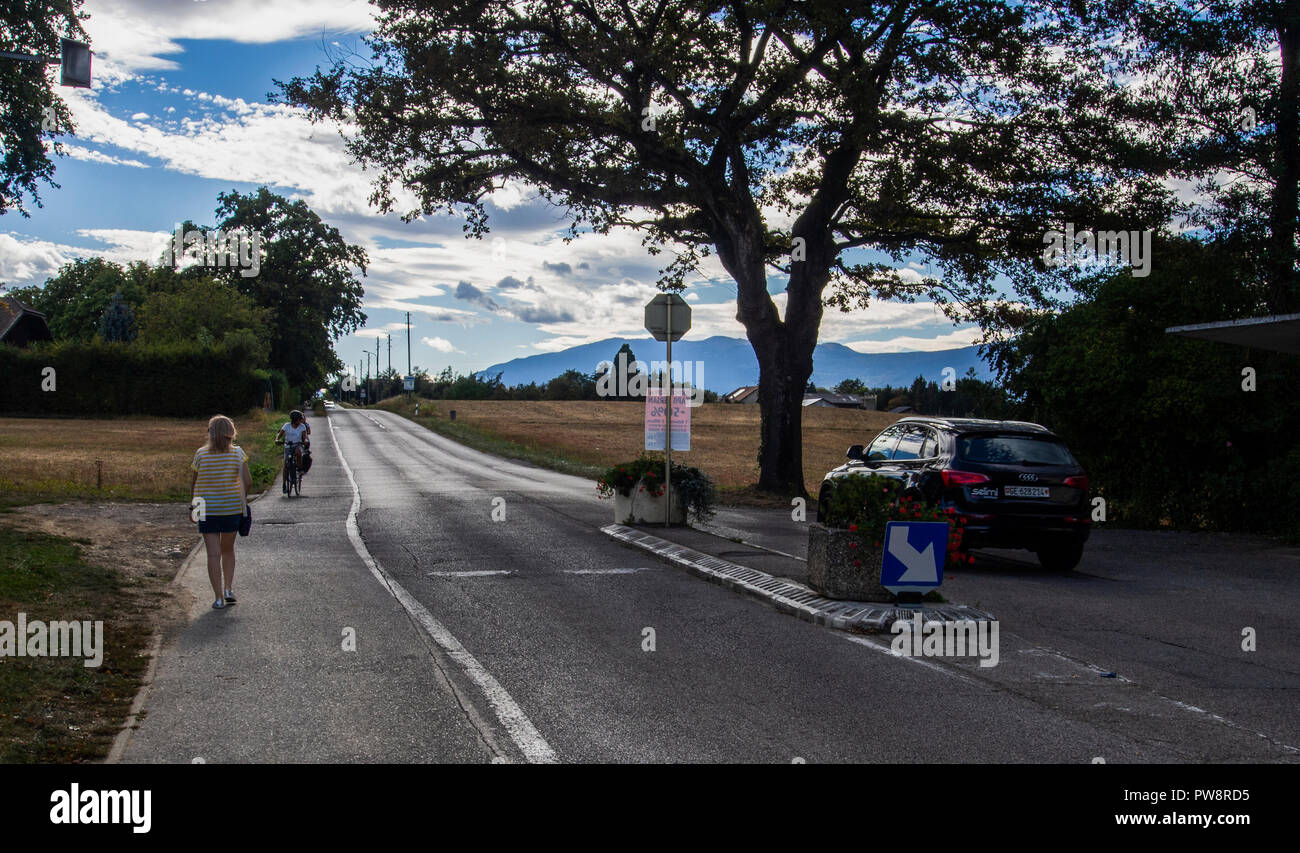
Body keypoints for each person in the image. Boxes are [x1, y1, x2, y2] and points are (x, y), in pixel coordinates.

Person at [190, 415, 251, 610]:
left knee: (213, 555)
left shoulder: (200, 454)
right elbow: (247, 481)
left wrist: (194, 506)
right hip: (231, 509)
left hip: (206, 509)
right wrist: (242, 499)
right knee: (228, 550)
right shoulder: (238, 453)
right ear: (230, 433)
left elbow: (194, 483)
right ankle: (228, 589)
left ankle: (217, 598)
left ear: (211, 433)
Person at [275, 410, 312, 475]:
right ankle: (284, 482)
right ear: (295, 420)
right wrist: (277, 439)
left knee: (298, 453)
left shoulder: (302, 426)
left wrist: (306, 440)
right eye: (299, 419)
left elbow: (305, 435)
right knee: (285, 463)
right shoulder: (286, 425)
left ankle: (300, 469)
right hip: (288, 445)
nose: (301, 421)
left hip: (297, 444)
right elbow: (280, 433)